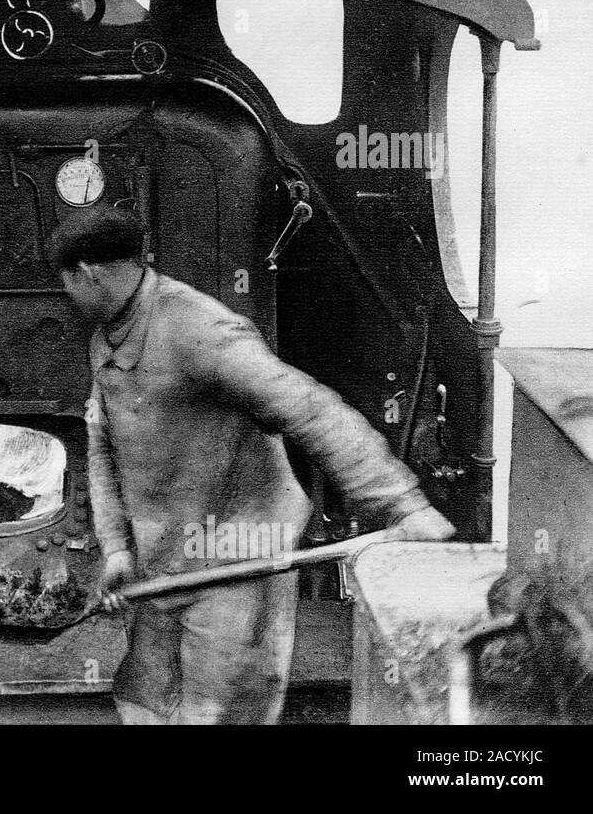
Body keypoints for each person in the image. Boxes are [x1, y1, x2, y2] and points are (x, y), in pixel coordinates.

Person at [49, 207, 454, 724]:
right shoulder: (104, 337)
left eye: (67, 285)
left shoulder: (201, 329)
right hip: (160, 564)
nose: (68, 298)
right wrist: (115, 548)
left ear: (88, 274)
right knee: (141, 701)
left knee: (216, 715)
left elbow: (310, 409)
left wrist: (403, 505)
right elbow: (102, 448)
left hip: (238, 556)